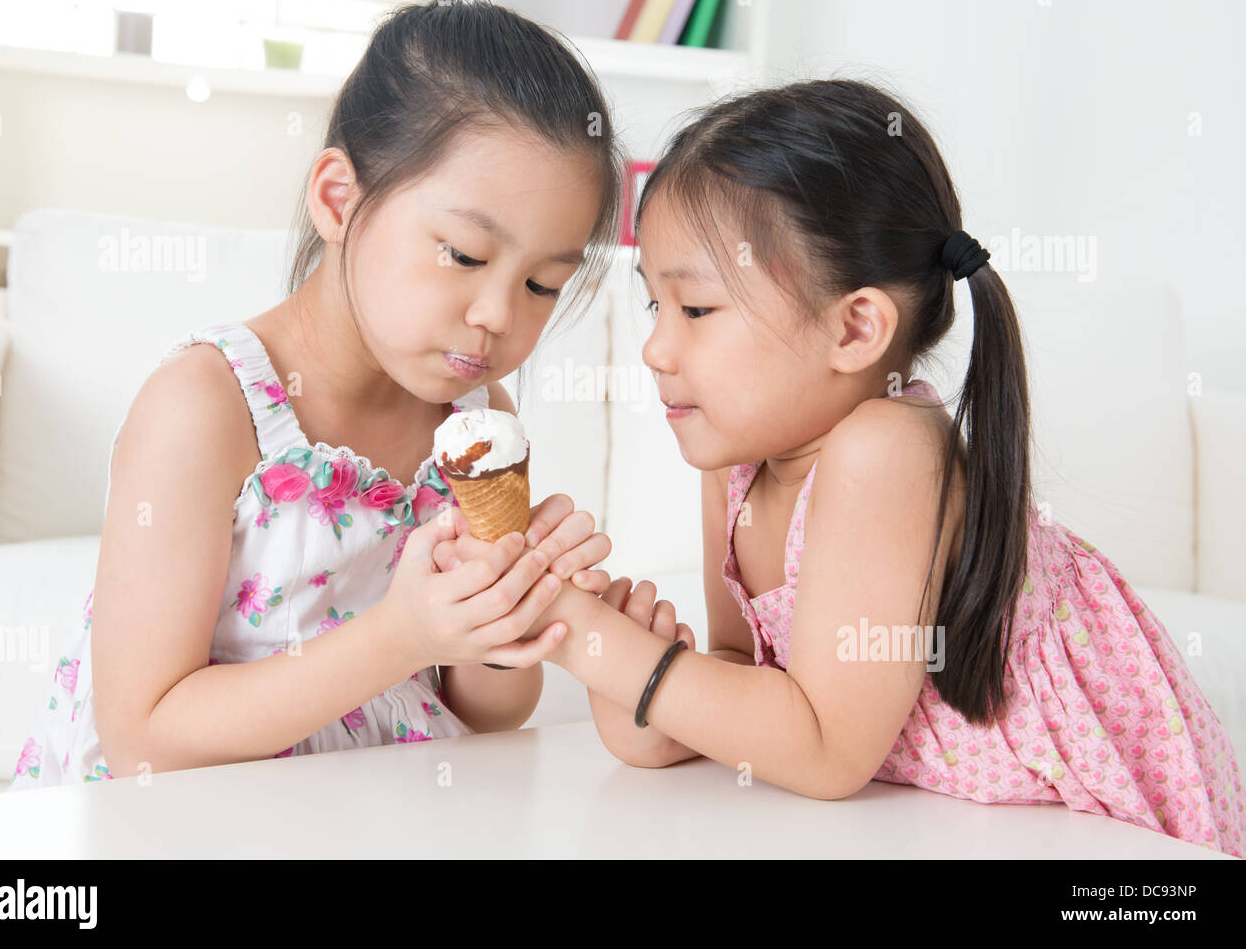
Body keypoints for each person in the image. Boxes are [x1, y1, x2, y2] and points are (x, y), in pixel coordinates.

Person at [487, 78, 1245, 858]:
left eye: (698, 309)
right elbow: (746, 675)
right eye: (654, 306)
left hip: (1109, 829)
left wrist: (596, 644)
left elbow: (824, 750)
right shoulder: (734, 464)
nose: (654, 348)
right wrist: (638, 703)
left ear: (854, 329)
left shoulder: (885, 448)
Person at [8, 0, 621, 788]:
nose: (497, 316)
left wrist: (505, 606)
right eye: (466, 256)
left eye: (543, 285)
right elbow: (144, 741)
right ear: (339, 200)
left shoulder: (476, 422)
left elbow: (491, 712)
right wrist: (401, 636)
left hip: (369, 808)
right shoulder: (207, 406)